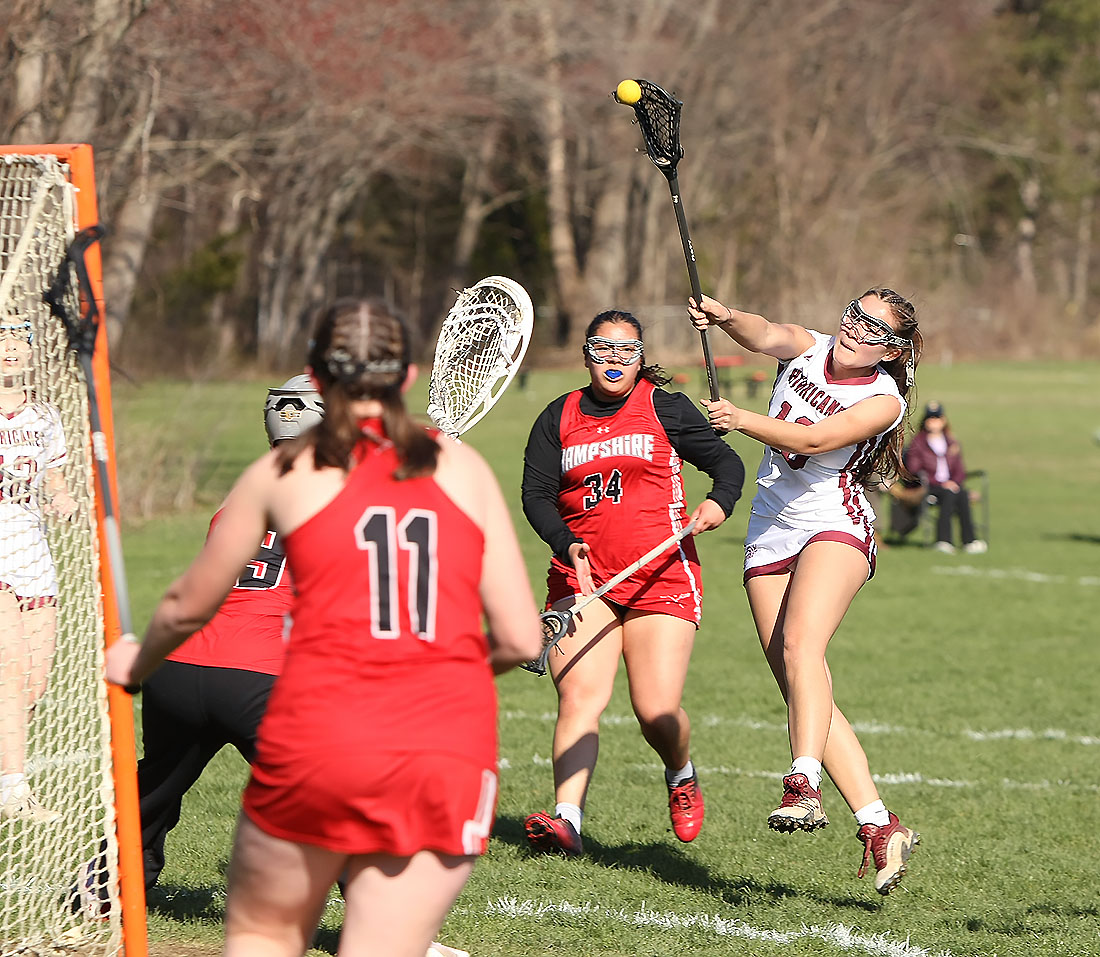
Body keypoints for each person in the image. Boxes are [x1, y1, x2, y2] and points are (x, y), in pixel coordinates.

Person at [105, 297, 542, 957]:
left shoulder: (264, 480)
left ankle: (109, 886)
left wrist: (138, 664)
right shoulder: (414, 480)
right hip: (307, 695)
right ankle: (393, 933)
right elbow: (491, 624)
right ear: (406, 376)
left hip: (195, 674)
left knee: (171, 802)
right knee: (350, 837)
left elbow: (188, 603)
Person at [688, 288, 922, 895]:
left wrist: (741, 420)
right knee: (798, 678)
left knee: (802, 647)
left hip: (833, 520)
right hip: (770, 525)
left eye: (872, 327)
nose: (855, 328)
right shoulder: (810, 348)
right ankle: (879, 824)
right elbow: (765, 332)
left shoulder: (882, 400)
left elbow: (815, 440)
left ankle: (803, 783)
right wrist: (724, 316)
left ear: (892, 350)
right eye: (854, 313)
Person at [520, 309, 745, 856]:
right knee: (579, 697)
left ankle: (680, 771)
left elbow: (728, 466)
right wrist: (565, 542)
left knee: (655, 711)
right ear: (587, 355)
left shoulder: (665, 407)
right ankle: (567, 821)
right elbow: (536, 494)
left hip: (661, 574)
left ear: (641, 356)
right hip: (583, 577)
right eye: (603, 349)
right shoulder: (558, 416)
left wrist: (719, 503)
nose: (614, 360)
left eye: (626, 350)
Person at [0, 320, 77, 823]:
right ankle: (14, 791)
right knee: (8, 667)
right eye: (0, 340)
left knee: (34, 683)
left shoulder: (46, 416)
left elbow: (54, 477)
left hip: (33, 554)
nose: (10, 350)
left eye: (18, 341)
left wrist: (61, 498)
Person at [902, 401, 986, 554]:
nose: (934, 422)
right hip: (928, 486)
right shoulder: (918, 442)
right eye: (930, 418)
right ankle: (943, 540)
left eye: (937, 418)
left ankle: (969, 540)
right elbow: (914, 469)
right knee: (949, 494)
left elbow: (960, 469)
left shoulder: (951, 442)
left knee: (962, 494)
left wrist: (954, 482)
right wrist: (941, 483)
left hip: (951, 485)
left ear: (943, 420)